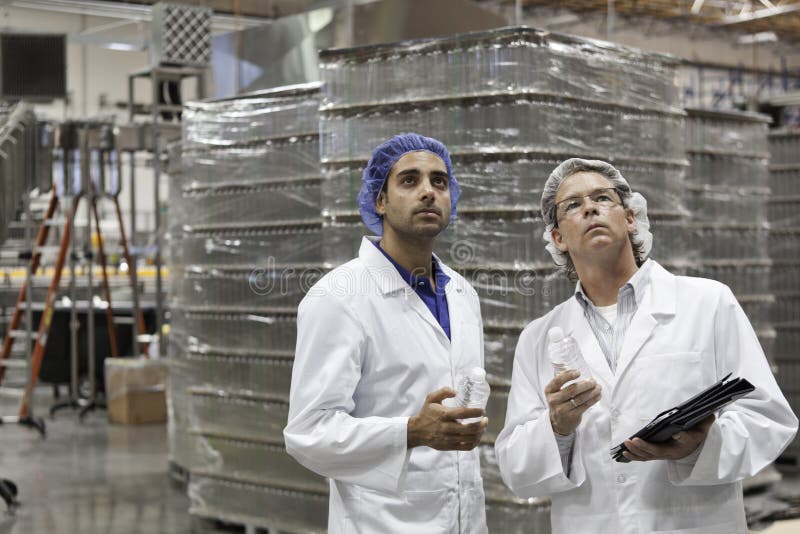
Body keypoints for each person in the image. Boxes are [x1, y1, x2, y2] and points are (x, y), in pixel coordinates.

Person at [494, 158, 798, 534]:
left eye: (602, 198)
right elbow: (514, 468)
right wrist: (556, 426)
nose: (590, 208)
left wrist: (701, 447)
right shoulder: (539, 337)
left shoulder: (708, 304)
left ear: (630, 218)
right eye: (572, 205)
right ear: (557, 238)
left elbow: (768, 417)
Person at [284, 133, 489, 533]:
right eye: (409, 181)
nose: (428, 192)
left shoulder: (463, 294)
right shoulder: (339, 297)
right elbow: (307, 433)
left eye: (439, 181)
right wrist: (411, 431)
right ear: (380, 200)